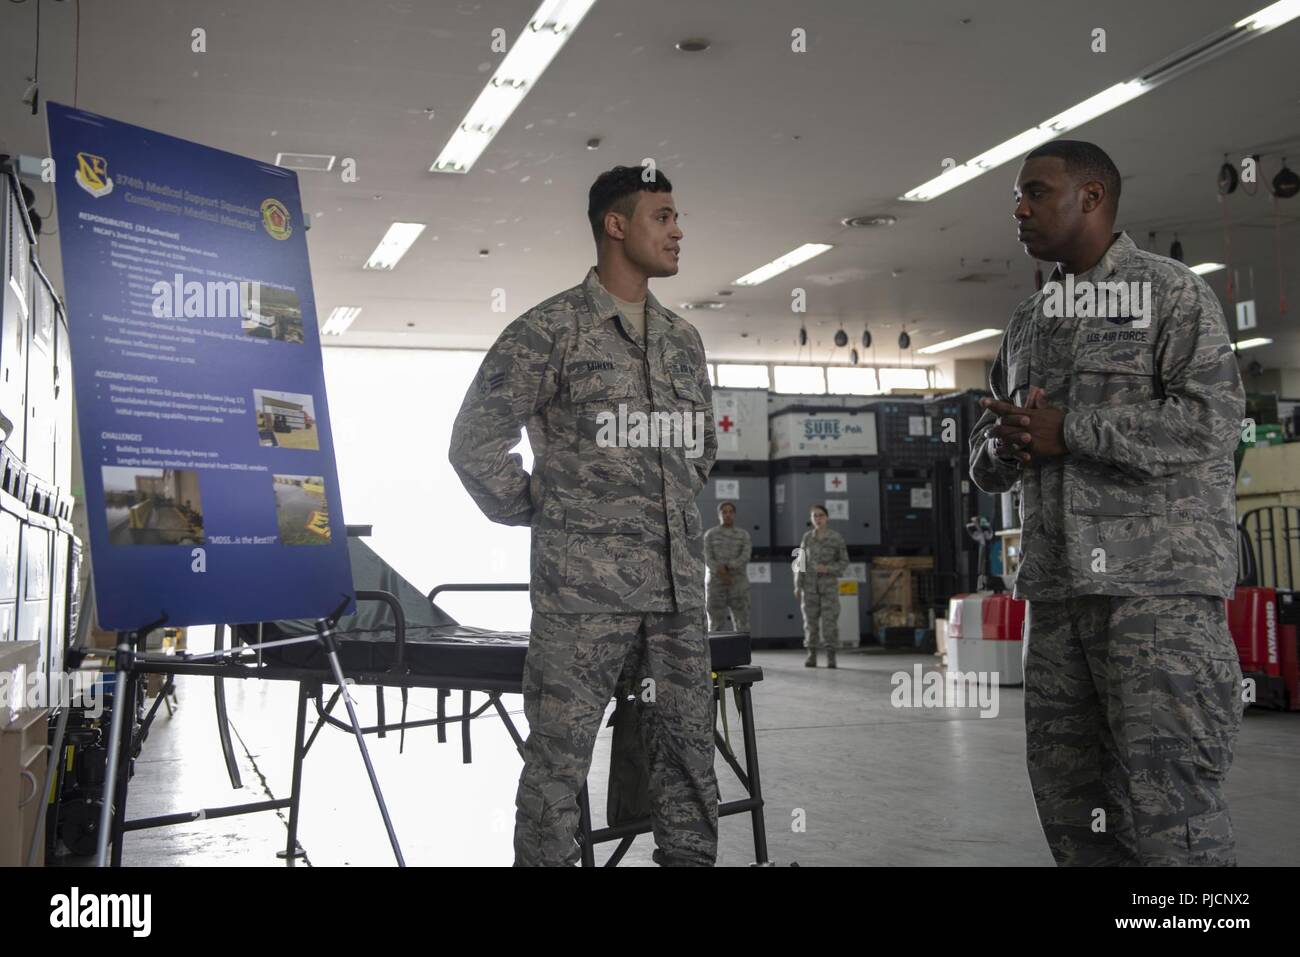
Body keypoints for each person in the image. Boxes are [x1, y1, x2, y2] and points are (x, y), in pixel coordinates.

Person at [969, 139, 1245, 866]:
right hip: (1060, 600)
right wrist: (1008, 445)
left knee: (1171, 812)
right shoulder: (1030, 322)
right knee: (1073, 809)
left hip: (1157, 600)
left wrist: (1071, 431)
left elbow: (1212, 424)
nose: (1019, 210)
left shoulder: (1173, 293)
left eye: (1035, 192)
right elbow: (982, 459)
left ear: (1091, 198)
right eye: (1016, 198)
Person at [448, 164, 719, 867]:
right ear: (616, 224)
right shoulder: (549, 330)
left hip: (677, 596)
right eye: (663, 216)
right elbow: (475, 442)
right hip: (582, 597)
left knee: (689, 761)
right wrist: (548, 511)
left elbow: (703, 449)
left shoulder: (683, 341)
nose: (678, 229)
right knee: (557, 767)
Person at [795, 504, 849, 668]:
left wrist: (828, 568)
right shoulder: (807, 538)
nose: (818, 519)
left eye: (821, 515)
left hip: (829, 588)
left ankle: (831, 657)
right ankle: (811, 655)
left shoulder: (836, 538)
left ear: (827, 518)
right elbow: (800, 563)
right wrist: (798, 585)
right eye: (815, 516)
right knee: (810, 623)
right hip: (809, 588)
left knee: (829, 623)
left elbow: (844, 562)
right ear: (811, 519)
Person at [703, 501, 752, 632]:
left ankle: (741, 652)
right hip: (716, 584)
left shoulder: (743, 535)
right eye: (724, 512)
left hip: (738, 584)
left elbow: (745, 555)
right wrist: (720, 571)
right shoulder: (710, 535)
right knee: (715, 624)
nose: (728, 515)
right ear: (719, 515)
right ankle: (715, 652)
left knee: (742, 623)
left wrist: (730, 567)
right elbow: (706, 557)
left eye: (730, 512)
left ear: (734, 514)